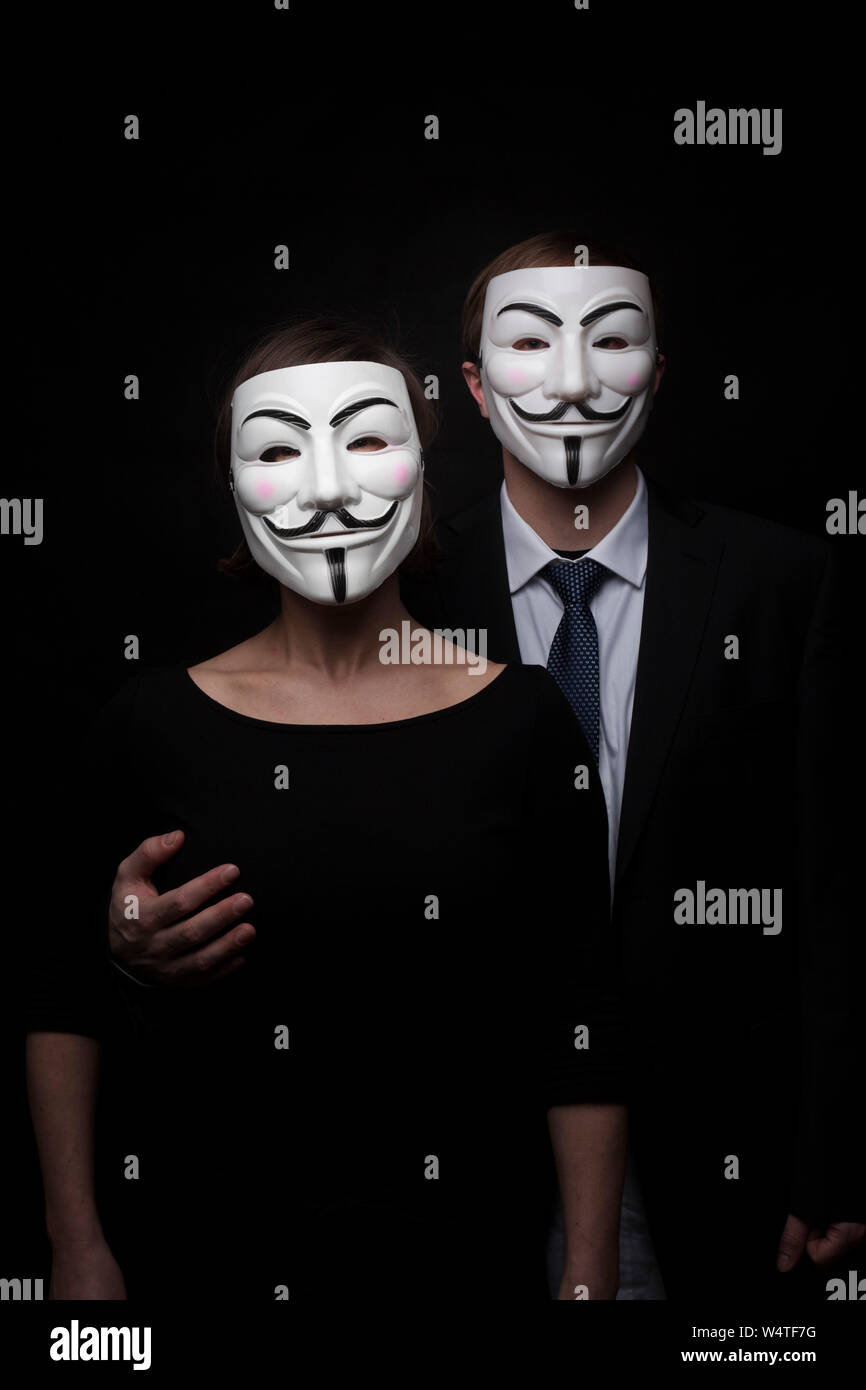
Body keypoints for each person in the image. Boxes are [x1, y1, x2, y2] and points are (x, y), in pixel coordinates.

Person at [25, 319, 626, 1302]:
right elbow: (60, 995)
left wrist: (588, 1276)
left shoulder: (521, 720)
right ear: (231, 484)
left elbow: (580, 1009)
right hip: (201, 1250)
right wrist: (76, 1244)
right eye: (278, 450)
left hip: (460, 1258)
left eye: (367, 441)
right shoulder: (148, 722)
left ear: (423, 473)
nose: (330, 487)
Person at [396, 232, 864, 1301]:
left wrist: (833, 1146)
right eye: (527, 345)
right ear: (473, 386)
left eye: (610, 341)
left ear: (654, 371)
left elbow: (837, 889)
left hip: (718, 1148)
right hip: (462, 1146)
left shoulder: (779, 584)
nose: (570, 381)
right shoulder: (405, 595)